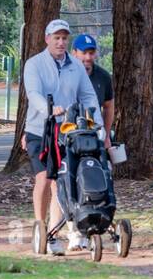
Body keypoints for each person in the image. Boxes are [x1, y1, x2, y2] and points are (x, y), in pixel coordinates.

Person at [22, 19, 104, 255]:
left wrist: (96, 123)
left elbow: (88, 96)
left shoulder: (76, 66)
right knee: (43, 177)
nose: (60, 42)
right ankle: (40, 227)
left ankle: (55, 234)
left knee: (62, 179)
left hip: (68, 130)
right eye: (56, 38)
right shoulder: (34, 64)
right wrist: (50, 109)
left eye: (64, 38)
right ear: (47, 39)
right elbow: (34, 94)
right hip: (40, 129)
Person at [65, 33, 116, 251]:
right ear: (74, 53)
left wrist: (105, 134)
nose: (87, 57)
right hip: (71, 136)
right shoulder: (67, 74)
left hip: (95, 136)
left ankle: (101, 219)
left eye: (91, 52)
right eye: (83, 52)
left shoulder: (103, 76)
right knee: (71, 178)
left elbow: (109, 106)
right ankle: (75, 230)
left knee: (101, 174)